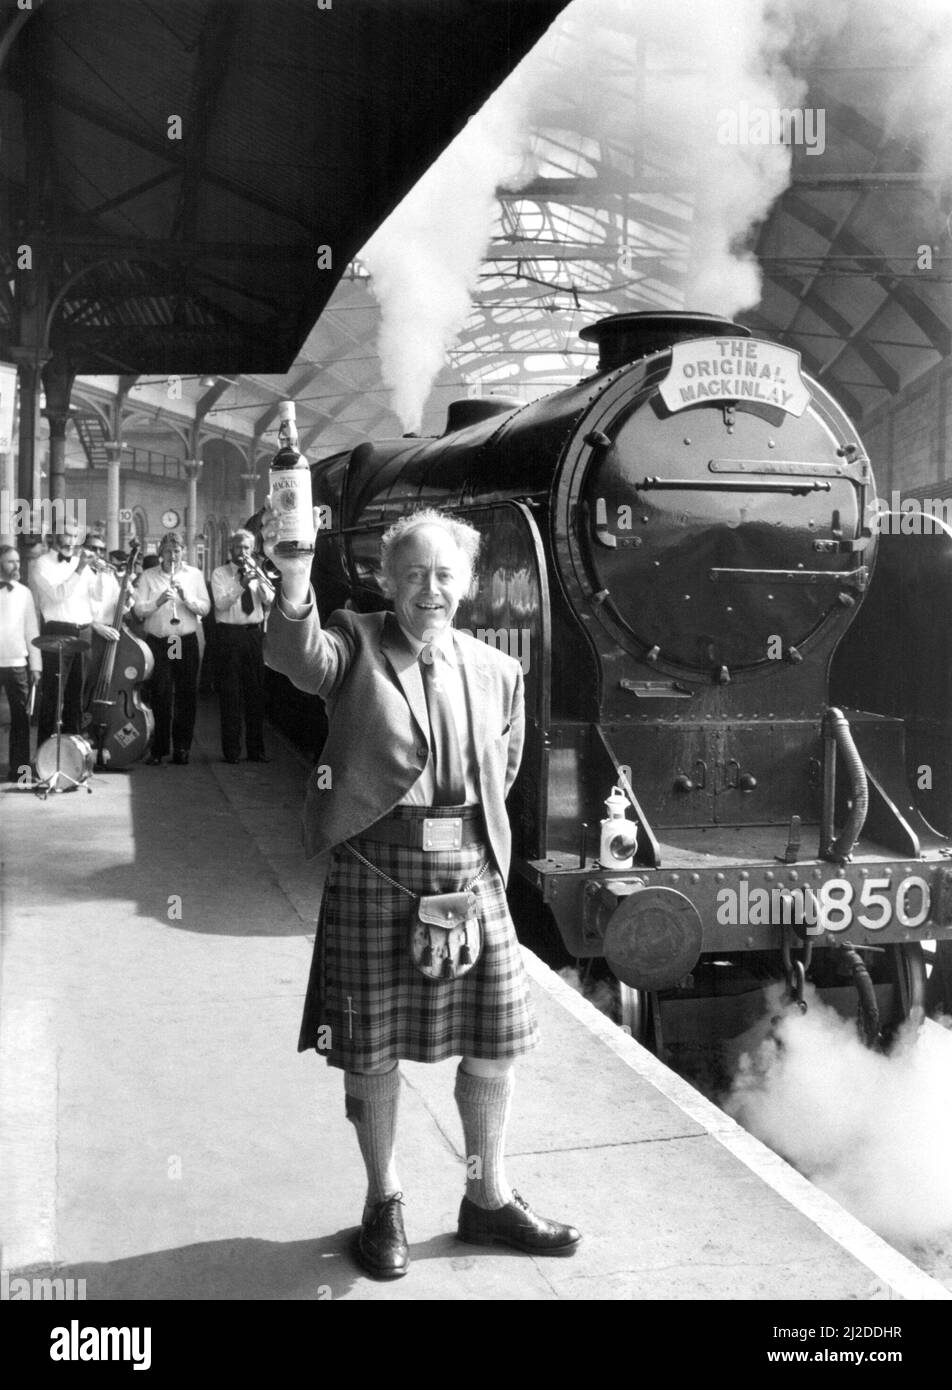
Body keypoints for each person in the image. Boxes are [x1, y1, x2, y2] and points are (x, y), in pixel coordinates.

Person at [263, 504, 579, 1281]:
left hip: (469, 872)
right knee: (369, 1048)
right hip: (378, 870)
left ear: (468, 584)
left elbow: (500, 778)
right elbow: (297, 657)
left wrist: (464, 849)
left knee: (496, 1042)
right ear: (386, 580)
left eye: (445, 575)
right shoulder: (357, 644)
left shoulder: (501, 672)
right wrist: (296, 572)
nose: (429, 590)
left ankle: (488, 1197)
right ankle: (384, 1200)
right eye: (413, 575)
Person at [31, 526, 119, 745]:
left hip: (84, 631)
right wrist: (80, 568)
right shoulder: (41, 564)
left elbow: (97, 597)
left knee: (76, 696)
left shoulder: (82, 565)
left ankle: (74, 754)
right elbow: (58, 594)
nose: (70, 540)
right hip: (58, 631)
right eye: (66, 535)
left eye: (74, 536)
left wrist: (100, 574)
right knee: (53, 695)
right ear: (54, 538)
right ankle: (45, 752)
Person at [133, 533, 210, 765]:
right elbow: (138, 610)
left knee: (186, 694)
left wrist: (187, 599)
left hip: (183, 640)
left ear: (183, 552)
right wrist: (157, 602)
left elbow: (205, 608)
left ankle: (183, 748)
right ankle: (159, 749)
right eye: (168, 551)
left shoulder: (194, 575)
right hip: (159, 640)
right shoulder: (148, 576)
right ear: (160, 552)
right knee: (161, 693)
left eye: (177, 551)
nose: (172, 556)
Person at [210, 530, 275, 764]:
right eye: (239, 548)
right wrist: (240, 585)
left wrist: (258, 582)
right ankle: (232, 752)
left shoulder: (258, 573)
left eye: (247, 548)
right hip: (230, 635)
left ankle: (256, 750)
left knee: (255, 693)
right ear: (231, 549)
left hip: (254, 635)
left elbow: (270, 600)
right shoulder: (220, 574)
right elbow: (220, 604)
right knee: (231, 694)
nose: (243, 552)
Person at [0, 546, 42, 781]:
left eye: (17, 561)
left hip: (17, 663)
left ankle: (20, 770)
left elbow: (31, 630)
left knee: (21, 719)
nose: (16, 566)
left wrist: (35, 665)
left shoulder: (24, 593)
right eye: (9, 562)